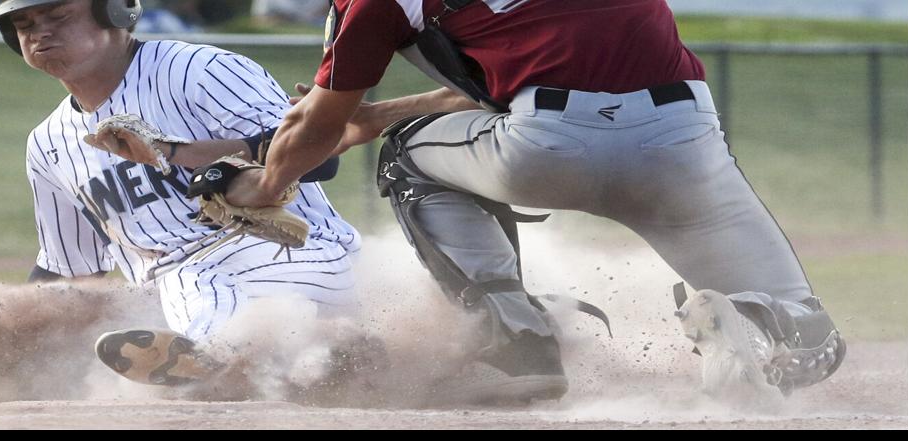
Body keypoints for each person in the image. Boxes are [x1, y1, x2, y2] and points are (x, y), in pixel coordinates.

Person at [200, 0, 847, 404]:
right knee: (813, 334)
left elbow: (316, 125)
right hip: (684, 143)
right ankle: (758, 321)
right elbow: (548, 61)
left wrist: (263, 188)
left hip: (547, 149)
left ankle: (515, 339)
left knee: (408, 155)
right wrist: (379, 112)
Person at [0, 0, 362, 384]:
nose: (40, 32)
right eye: (24, 24)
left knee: (187, 274)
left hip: (297, 256)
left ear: (113, 8)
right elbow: (68, 270)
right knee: (153, 299)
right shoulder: (48, 145)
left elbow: (321, 159)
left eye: (59, 15)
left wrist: (177, 153)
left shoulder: (200, 71)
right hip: (185, 306)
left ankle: (214, 361)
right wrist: (6, 332)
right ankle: (314, 365)